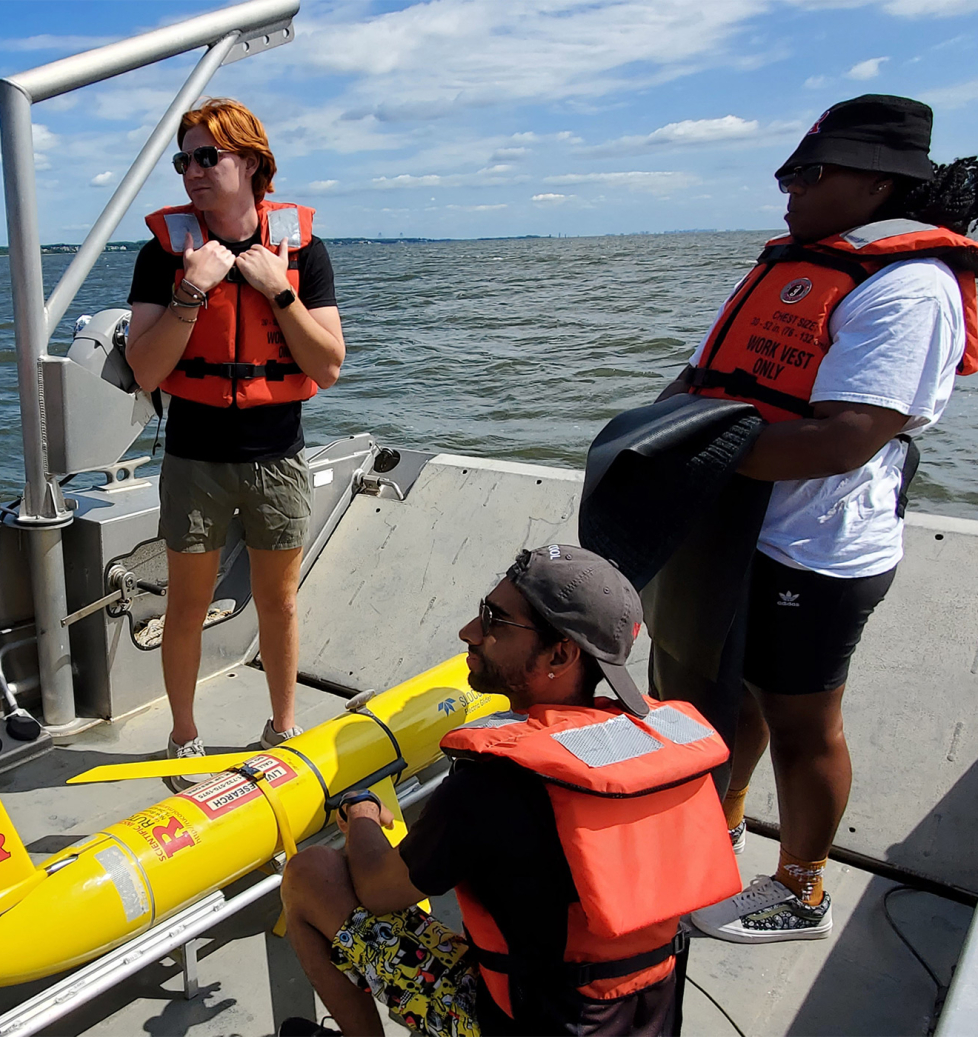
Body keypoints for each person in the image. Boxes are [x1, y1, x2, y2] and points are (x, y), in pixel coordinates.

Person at [658, 95, 978, 943]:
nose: (787, 190)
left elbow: (845, 438)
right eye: (786, 173)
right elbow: (699, 381)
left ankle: (800, 889)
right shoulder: (790, 265)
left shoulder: (911, 288)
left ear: (879, 184)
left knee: (804, 720)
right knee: (743, 697)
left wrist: (693, 458)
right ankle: (720, 825)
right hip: (735, 531)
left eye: (807, 172)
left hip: (819, 549)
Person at [278, 546, 740, 1037]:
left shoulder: (493, 782)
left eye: (494, 620)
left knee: (311, 875)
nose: (469, 633)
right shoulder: (662, 757)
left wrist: (364, 817)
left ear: (559, 654)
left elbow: (378, 889)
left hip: (521, 1024)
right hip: (643, 1019)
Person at [124, 98, 345, 790]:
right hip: (193, 461)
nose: (191, 171)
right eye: (183, 159)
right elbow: (146, 369)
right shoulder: (160, 257)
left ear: (250, 161)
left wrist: (281, 292)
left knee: (278, 601)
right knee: (186, 606)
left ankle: (283, 729)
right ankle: (184, 737)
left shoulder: (303, 252)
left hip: (276, 457)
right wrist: (190, 292)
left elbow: (328, 365)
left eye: (206, 157)